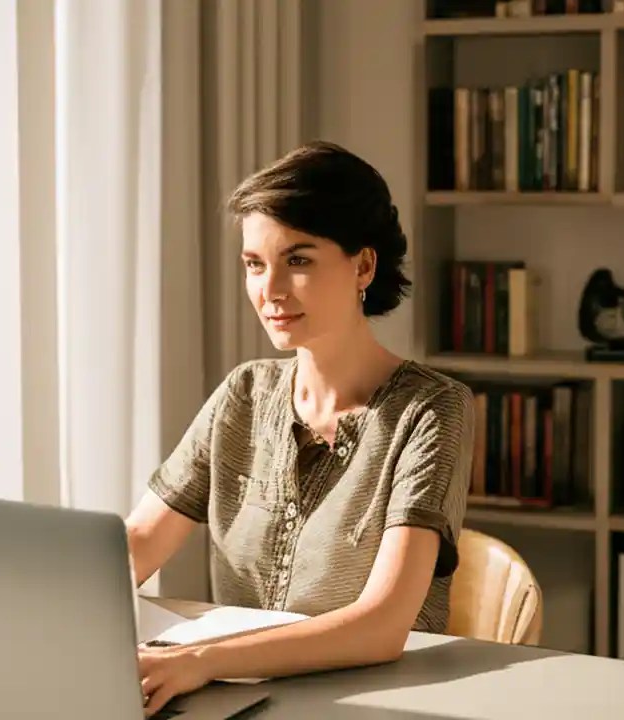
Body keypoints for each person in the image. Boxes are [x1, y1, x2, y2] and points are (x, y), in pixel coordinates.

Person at [126, 141, 476, 717]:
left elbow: (384, 625)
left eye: (299, 260)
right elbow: (142, 542)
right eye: (255, 265)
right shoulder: (244, 394)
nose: (271, 292)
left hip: (384, 706)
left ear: (363, 265)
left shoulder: (432, 410)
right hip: (241, 702)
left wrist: (201, 660)